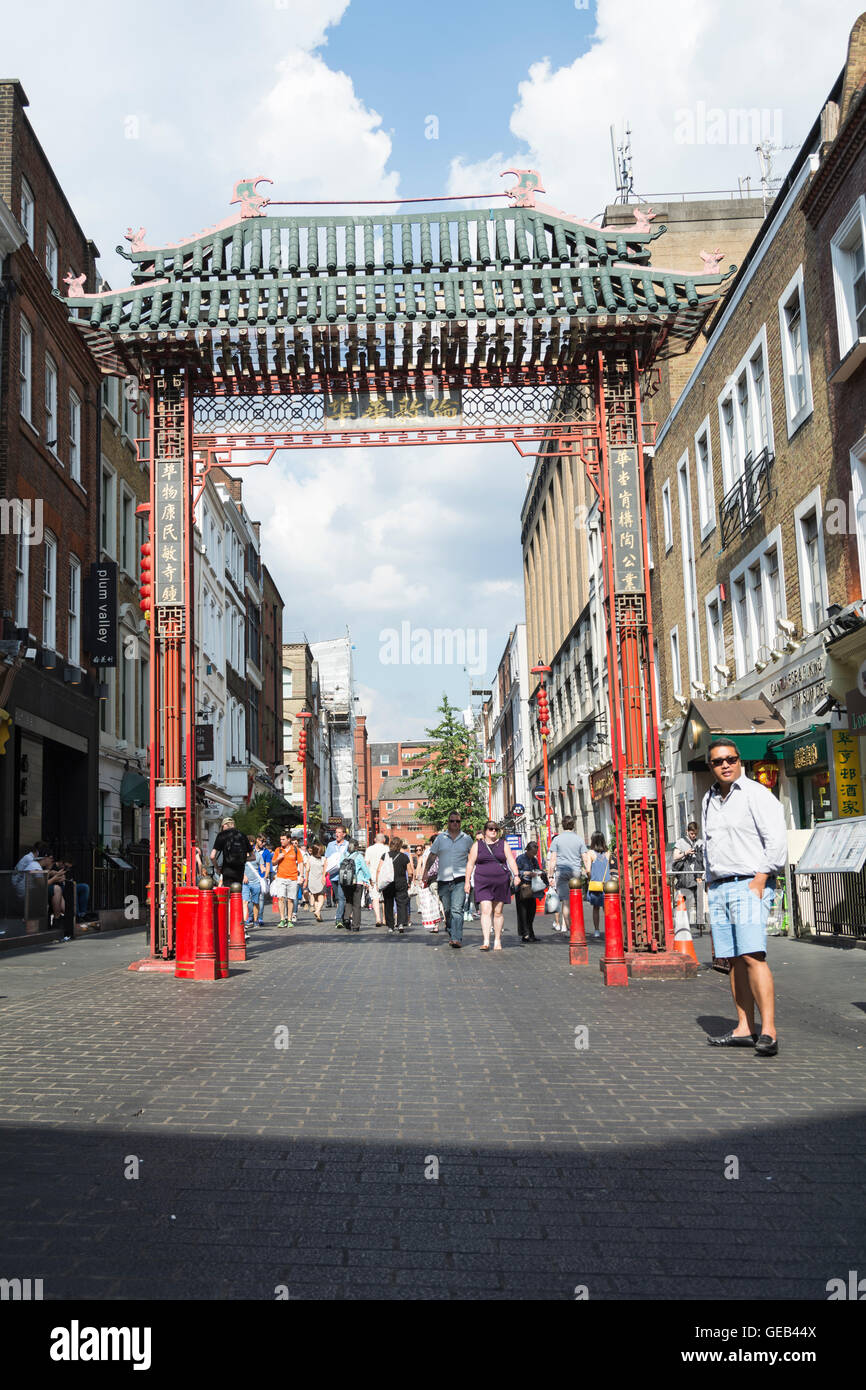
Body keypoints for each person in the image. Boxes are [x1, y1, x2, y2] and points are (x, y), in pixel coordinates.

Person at [702, 739, 787, 1057]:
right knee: (733, 958)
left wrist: (762, 878)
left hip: (749, 884)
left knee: (753, 956)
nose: (725, 765)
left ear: (740, 761)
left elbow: (776, 840)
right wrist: (710, 881)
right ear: (710, 766)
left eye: (731, 759)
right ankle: (743, 1027)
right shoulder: (709, 798)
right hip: (720, 886)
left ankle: (769, 1031)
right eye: (718, 761)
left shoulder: (756, 794)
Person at [465, 821, 521, 951]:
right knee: (485, 910)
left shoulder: (503, 844)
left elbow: (511, 860)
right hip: (482, 881)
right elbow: (470, 864)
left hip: (501, 881)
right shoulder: (477, 845)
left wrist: (516, 875)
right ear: (485, 831)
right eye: (490, 829)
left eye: (496, 829)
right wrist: (467, 881)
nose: (494, 831)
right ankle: (486, 941)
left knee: (497, 912)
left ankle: (497, 940)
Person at [428, 812, 475, 949]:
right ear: (448, 822)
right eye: (452, 821)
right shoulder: (440, 838)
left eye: (458, 821)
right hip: (443, 879)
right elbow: (432, 856)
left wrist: (472, 876)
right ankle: (450, 930)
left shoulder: (466, 839)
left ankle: (456, 938)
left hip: (460, 878)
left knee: (457, 909)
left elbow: (472, 857)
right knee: (447, 910)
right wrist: (425, 873)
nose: (455, 823)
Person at [548, 816, 588, 933]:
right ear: (573, 825)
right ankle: (576, 924)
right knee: (576, 900)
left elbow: (553, 860)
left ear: (562, 825)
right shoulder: (579, 839)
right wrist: (588, 872)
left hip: (561, 872)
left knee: (565, 901)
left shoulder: (557, 840)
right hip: (575, 871)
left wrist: (550, 876)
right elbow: (585, 858)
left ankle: (569, 927)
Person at [672, 821, 704, 930]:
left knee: (699, 898)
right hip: (685, 875)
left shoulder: (700, 842)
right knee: (687, 899)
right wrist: (686, 853)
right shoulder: (681, 842)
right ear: (687, 831)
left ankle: (700, 922)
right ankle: (684, 922)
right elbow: (675, 857)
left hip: (698, 875)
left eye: (695, 833)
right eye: (691, 833)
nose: (694, 835)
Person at [515, 840, 548, 943]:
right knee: (523, 912)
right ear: (527, 850)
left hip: (532, 888)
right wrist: (527, 873)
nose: (533, 855)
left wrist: (540, 872)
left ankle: (531, 932)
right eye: (532, 853)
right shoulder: (520, 859)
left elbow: (537, 869)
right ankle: (525, 934)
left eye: (535, 853)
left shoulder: (533, 860)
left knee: (531, 911)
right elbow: (516, 871)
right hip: (523, 888)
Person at [379, 836, 413, 934]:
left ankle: (390, 926)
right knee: (401, 903)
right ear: (400, 846)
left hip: (388, 883)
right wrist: (409, 881)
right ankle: (401, 923)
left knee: (388, 904)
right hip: (401, 882)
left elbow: (379, 869)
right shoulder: (404, 857)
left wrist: (378, 883)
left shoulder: (385, 855)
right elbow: (410, 872)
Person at [271, 829, 303, 927]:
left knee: (290, 899)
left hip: (293, 877)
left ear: (288, 840)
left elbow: (301, 862)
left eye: (283, 839)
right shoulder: (278, 850)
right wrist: (278, 858)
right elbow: (273, 863)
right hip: (281, 877)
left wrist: (301, 875)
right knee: (280, 898)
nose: (281, 841)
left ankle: (289, 919)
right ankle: (282, 919)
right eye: (280, 839)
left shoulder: (295, 850)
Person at [583, 832, 611, 940]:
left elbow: (588, 870)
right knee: (607, 908)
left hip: (595, 884)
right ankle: (609, 928)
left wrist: (590, 879)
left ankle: (596, 930)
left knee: (596, 908)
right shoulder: (608, 853)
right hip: (607, 885)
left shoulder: (590, 853)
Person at [416, 835, 445, 933]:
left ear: (432, 843)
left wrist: (424, 879)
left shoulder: (429, 852)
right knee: (444, 902)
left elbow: (426, 866)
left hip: (433, 880)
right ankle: (447, 922)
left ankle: (436, 926)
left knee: (435, 903)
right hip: (445, 879)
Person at [341, 839, 372, 932]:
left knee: (348, 901)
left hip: (346, 883)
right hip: (357, 882)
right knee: (357, 904)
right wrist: (368, 879)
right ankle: (355, 925)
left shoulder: (344, 855)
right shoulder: (359, 856)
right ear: (356, 847)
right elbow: (365, 869)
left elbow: (340, 866)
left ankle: (346, 917)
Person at [210, 817, 249, 888]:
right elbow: (253, 857)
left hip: (227, 870)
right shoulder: (242, 835)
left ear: (224, 825)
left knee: (228, 894)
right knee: (237, 894)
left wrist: (217, 868)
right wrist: (241, 858)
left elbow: (212, 856)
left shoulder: (222, 835)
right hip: (240, 871)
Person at [324, 826, 350, 928]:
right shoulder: (330, 845)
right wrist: (324, 874)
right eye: (336, 832)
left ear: (344, 834)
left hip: (343, 875)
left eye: (339, 832)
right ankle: (343, 917)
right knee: (338, 898)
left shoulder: (347, 844)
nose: (337, 834)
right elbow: (326, 860)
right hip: (333, 875)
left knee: (341, 897)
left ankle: (338, 919)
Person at [364, 833, 389, 927]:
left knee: (375, 898)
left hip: (373, 877)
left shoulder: (369, 849)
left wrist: (366, 878)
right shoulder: (387, 849)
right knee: (385, 898)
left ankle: (378, 918)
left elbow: (366, 863)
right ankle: (385, 918)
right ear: (384, 840)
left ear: (375, 840)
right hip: (385, 877)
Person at [242, 846, 266, 928]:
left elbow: (262, 865)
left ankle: (255, 920)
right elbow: (239, 867)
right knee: (245, 902)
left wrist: (263, 869)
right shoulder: (241, 855)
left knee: (255, 902)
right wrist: (243, 875)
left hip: (256, 882)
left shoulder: (258, 855)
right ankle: (245, 921)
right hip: (245, 882)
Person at [304, 844, 327, 922]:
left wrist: (306, 881)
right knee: (321, 897)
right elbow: (325, 870)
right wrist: (324, 876)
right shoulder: (324, 859)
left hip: (312, 880)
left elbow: (307, 870)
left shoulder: (309, 859)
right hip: (320, 880)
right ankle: (318, 911)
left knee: (316, 897)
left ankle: (318, 914)